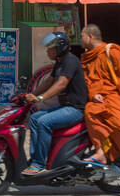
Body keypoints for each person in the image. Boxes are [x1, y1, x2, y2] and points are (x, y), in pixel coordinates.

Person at [79, 24, 120, 181]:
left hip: (116, 96)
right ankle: (100, 151)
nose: (80, 40)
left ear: (90, 37)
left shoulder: (111, 51)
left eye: (82, 36)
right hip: (99, 99)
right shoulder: (88, 57)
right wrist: (93, 95)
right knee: (90, 113)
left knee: (119, 124)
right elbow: (88, 81)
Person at [21, 30, 87, 175]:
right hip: (65, 107)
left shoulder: (70, 61)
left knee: (44, 122)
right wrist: (30, 94)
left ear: (60, 47)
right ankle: (35, 159)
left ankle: (39, 164)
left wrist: (39, 99)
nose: (47, 51)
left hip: (76, 109)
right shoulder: (59, 62)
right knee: (34, 119)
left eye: (50, 48)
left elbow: (61, 84)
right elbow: (49, 82)